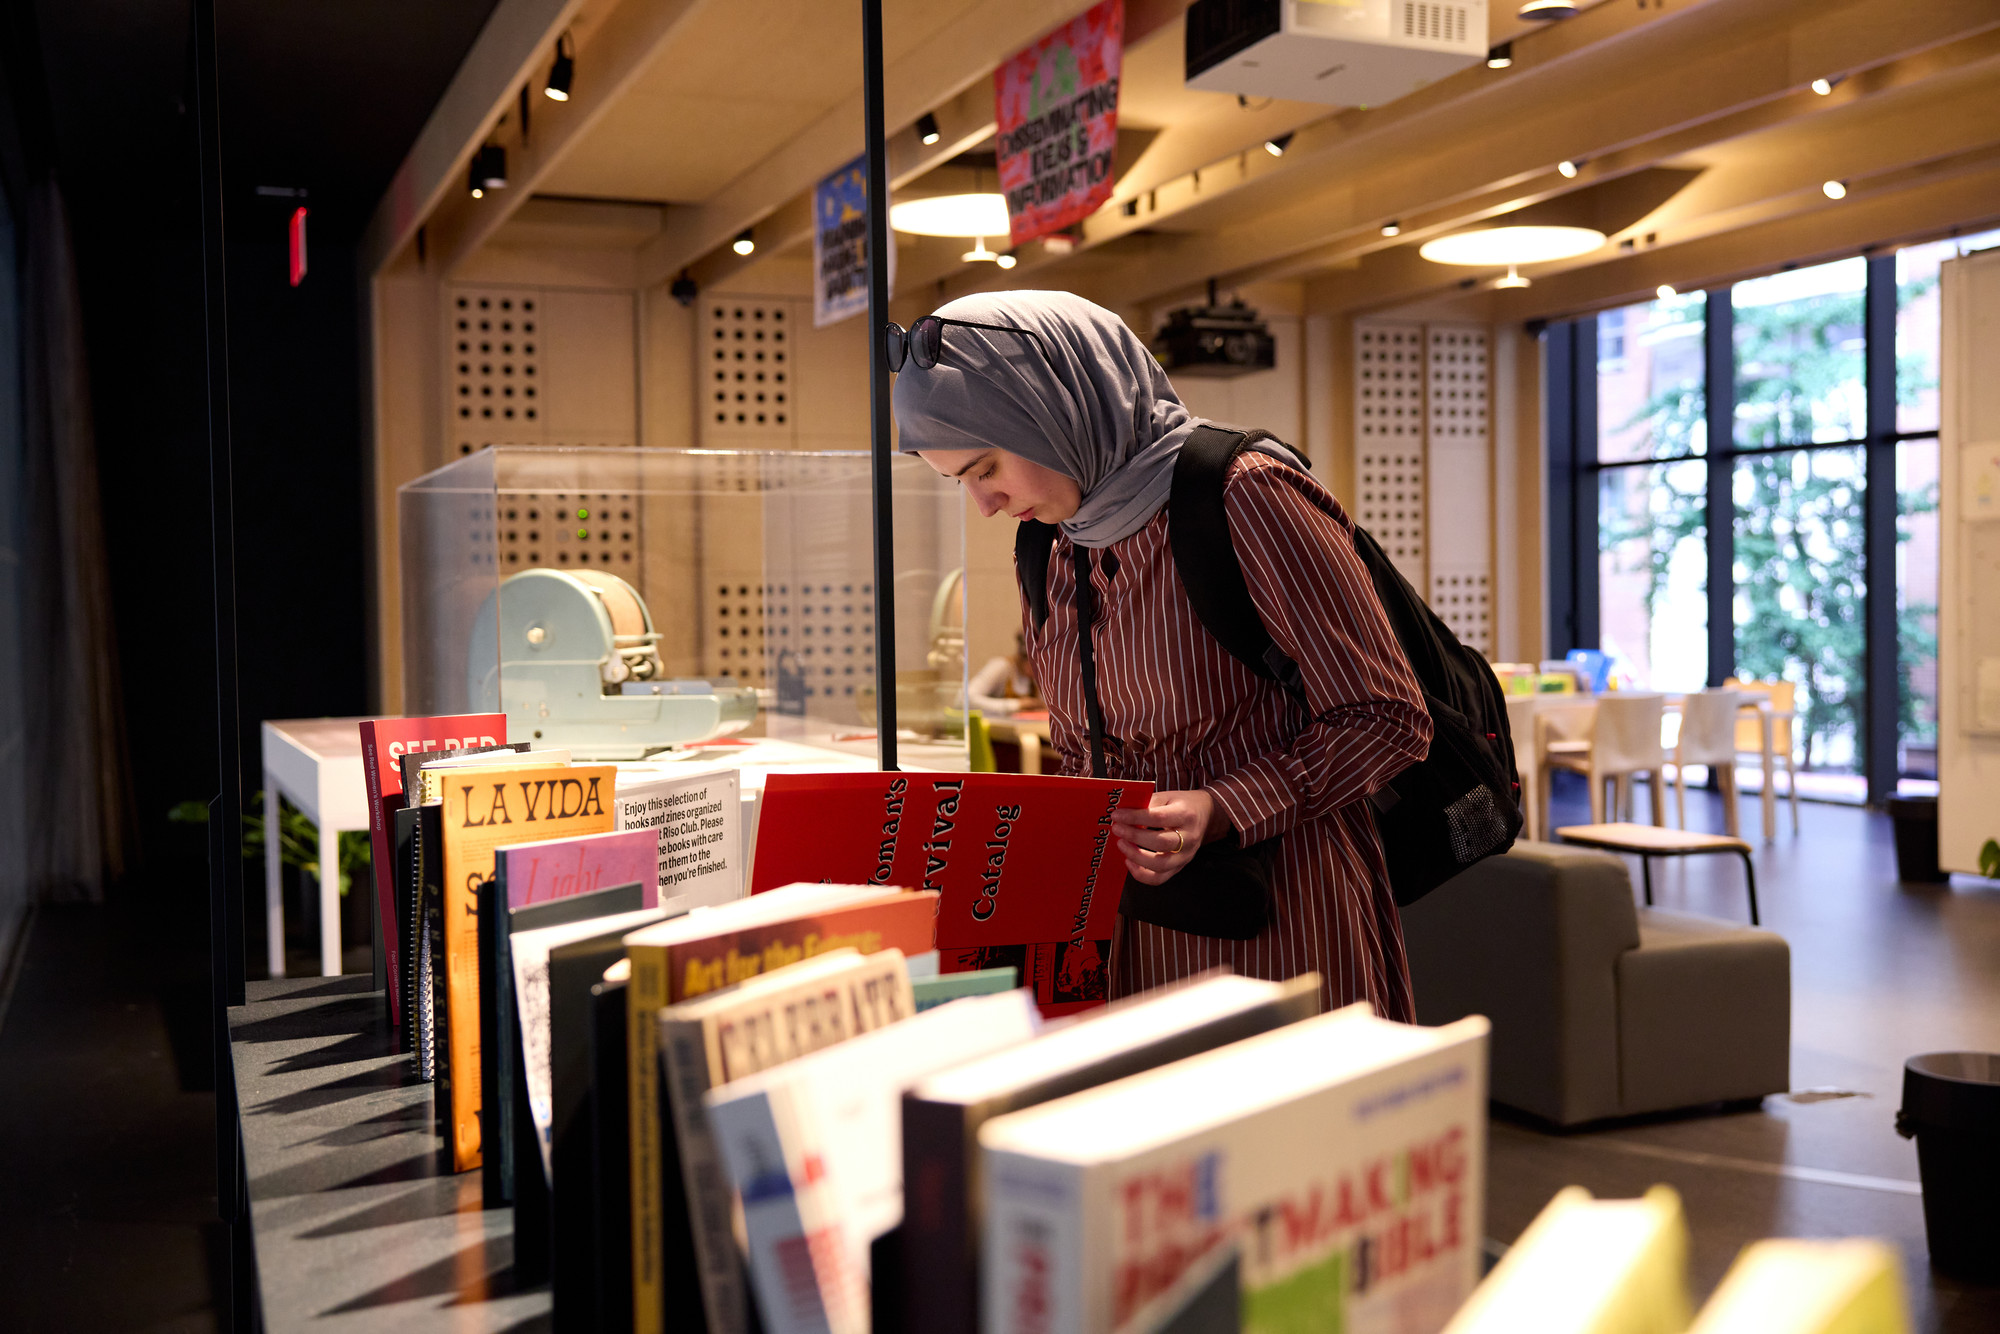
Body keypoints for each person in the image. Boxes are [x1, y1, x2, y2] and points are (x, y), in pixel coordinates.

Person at [893, 290, 1432, 1020]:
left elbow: (1390, 717)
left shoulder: (1247, 496)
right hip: (1130, 934)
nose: (984, 504)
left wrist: (1221, 806)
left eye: (986, 468)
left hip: (1277, 920)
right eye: (961, 482)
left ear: (1054, 413)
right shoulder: (1051, 541)